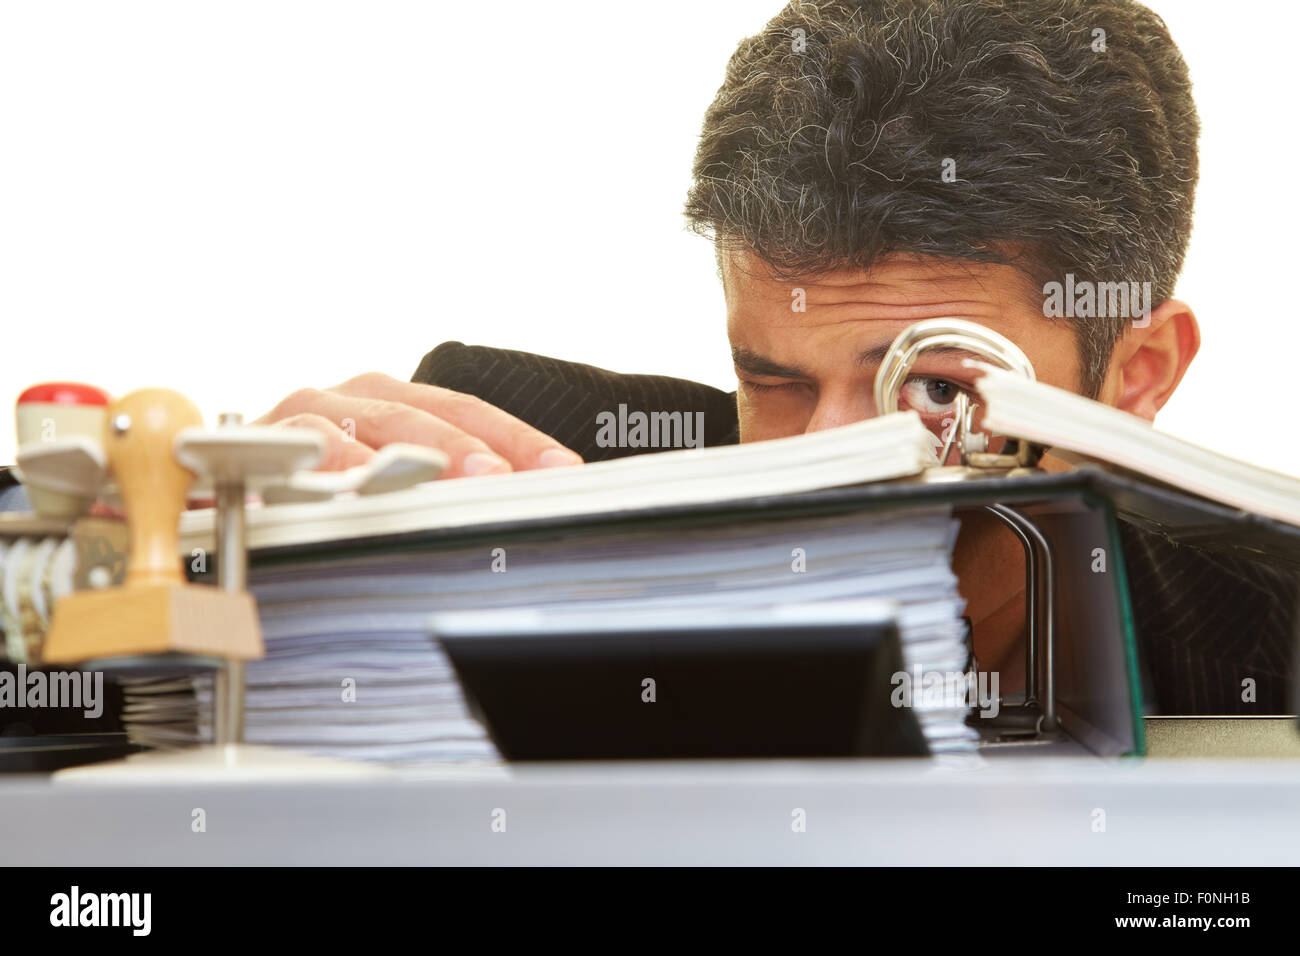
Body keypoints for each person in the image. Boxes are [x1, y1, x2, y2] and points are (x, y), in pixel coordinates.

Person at [7, 0, 1296, 715]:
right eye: (772, 379)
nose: (826, 469)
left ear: (1136, 374)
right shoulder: (502, 456)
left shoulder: (1269, 642)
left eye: (939, 392)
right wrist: (167, 557)